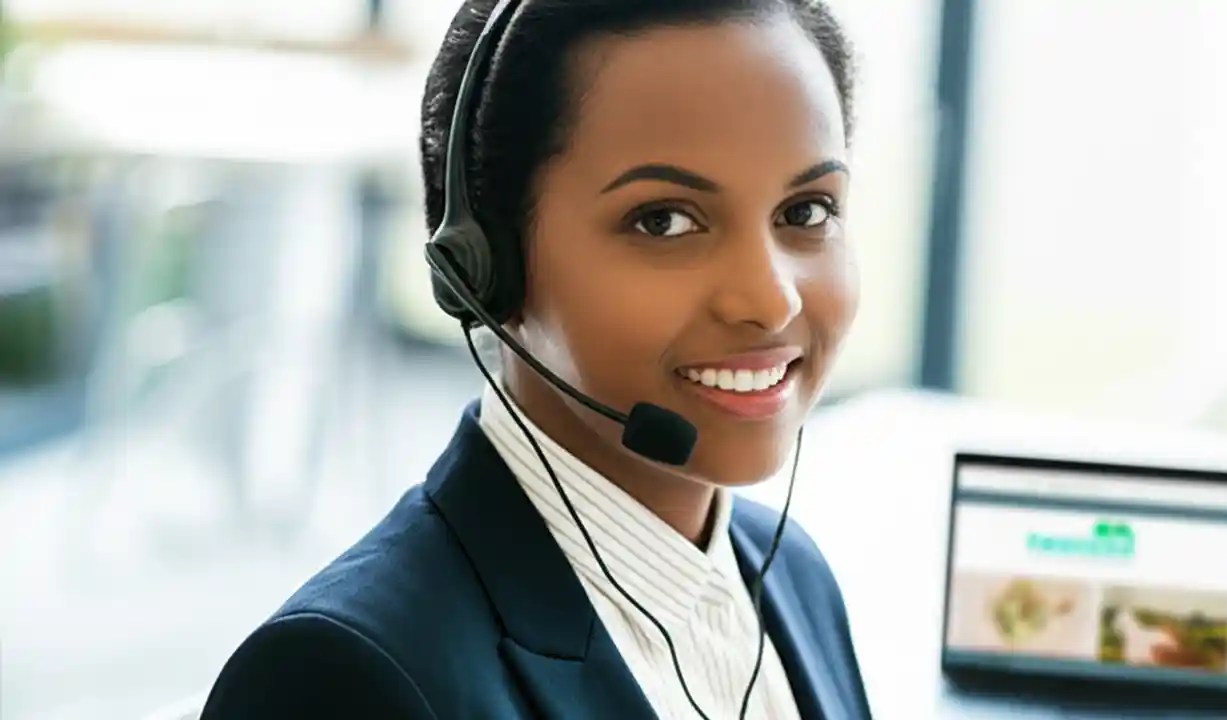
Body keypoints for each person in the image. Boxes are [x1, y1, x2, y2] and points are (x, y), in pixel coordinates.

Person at [201, 0, 869, 717]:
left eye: (807, 212)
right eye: (664, 221)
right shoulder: (344, 677)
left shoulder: (789, 574)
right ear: (487, 266)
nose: (771, 302)